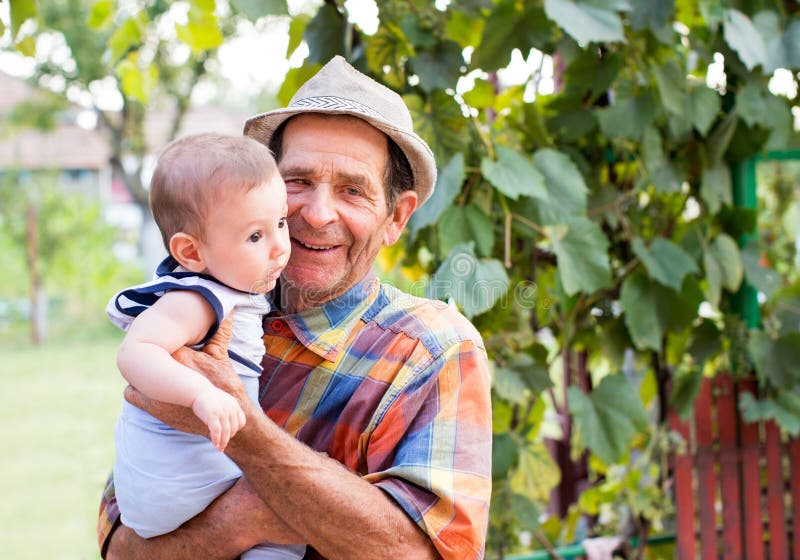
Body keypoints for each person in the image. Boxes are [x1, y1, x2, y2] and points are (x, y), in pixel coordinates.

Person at [98, 55, 492, 560]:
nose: (316, 213)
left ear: (396, 217)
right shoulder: (199, 312)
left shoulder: (432, 350)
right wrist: (255, 515)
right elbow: (122, 548)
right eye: (297, 181)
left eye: (353, 190)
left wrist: (245, 432)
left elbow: (430, 555)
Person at [105, 133, 302, 559]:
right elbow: (135, 352)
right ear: (191, 252)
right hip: (182, 482)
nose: (279, 247)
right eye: (255, 236)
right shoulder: (195, 298)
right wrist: (202, 395)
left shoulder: (227, 285)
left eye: (281, 223)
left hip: (171, 490)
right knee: (290, 524)